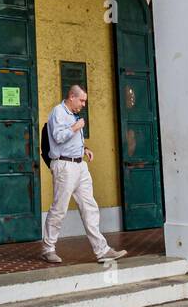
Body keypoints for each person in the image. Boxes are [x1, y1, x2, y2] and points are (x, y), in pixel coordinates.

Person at [42, 85, 127, 264]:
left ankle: (102, 250)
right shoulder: (58, 112)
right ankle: (48, 249)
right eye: (81, 100)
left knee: (90, 206)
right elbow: (58, 137)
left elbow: (70, 140)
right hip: (64, 165)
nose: (83, 104)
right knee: (59, 208)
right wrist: (75, 127)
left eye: (84, 101)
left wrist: (85, 149)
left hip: (80, 165)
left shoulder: (73, 115)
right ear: (71, 96)